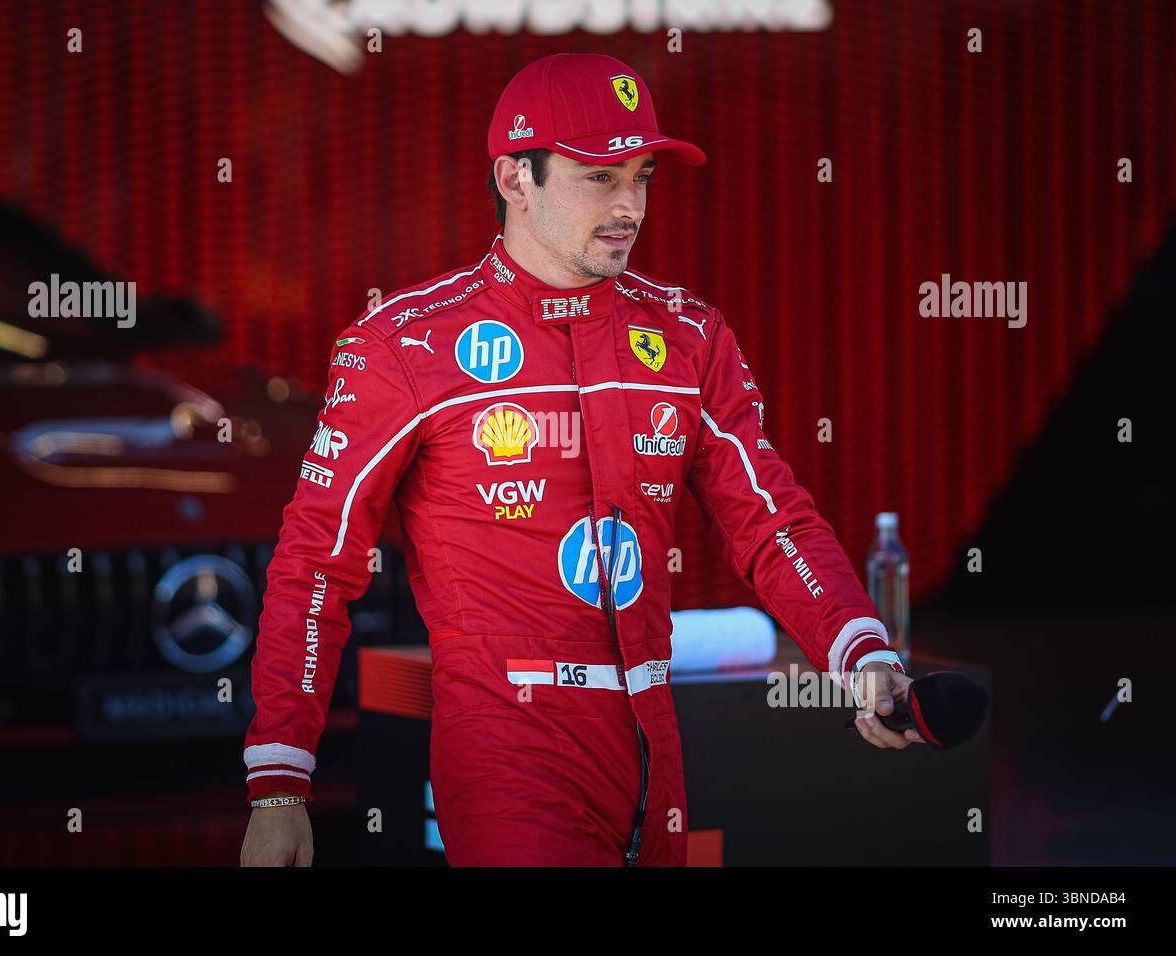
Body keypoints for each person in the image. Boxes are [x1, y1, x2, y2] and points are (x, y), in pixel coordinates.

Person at [240, 52, 919, 868]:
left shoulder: (688, 335)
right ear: (514, 177)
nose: (630, 205)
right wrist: (280, 779)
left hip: (655, 755)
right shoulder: (406, 345)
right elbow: (316, 562)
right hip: (506, 756)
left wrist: (863, 650)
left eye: (641, 177)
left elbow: (770, 520)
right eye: (600, 177)